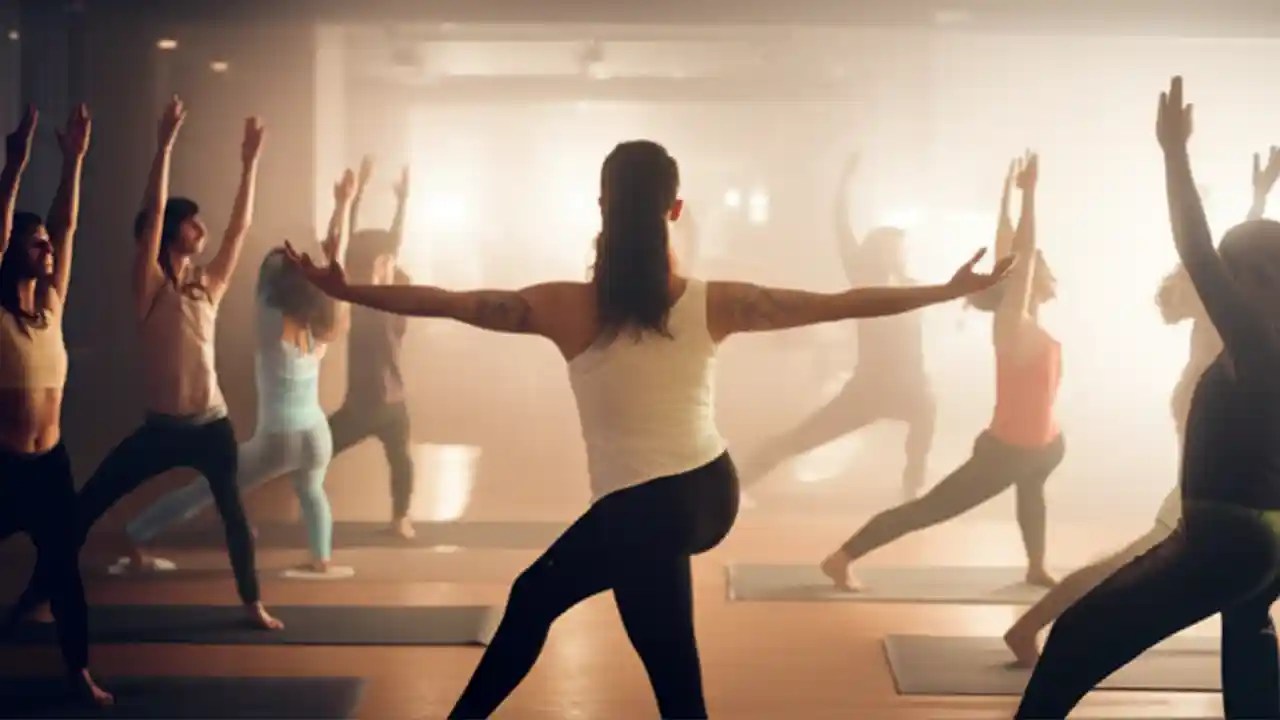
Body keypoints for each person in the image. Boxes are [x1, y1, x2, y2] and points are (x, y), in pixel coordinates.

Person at [286, 139, 1013, 719]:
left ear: (601, 205)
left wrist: (347, 288)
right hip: (705, 493)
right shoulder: (719, 301)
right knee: (628, 645)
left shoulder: (560, 305)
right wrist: (946, 289)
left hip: (648, 507)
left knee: (559, 613)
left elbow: (449, 302)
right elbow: (838, 303)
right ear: (676, 209)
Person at [1017, 77, 1280, 719]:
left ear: (1250, 280)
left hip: (1223, 538)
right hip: (1263, 536)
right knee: (1250, 658)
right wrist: (1259, 196)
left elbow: (1196, 249)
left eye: (1229, 272)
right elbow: (1227, 258)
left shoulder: (1258, 339)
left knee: (1077, 637)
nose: (1216, 281)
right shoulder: (1266, 334)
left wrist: (1173, 153)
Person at [12, 96, 282, 630]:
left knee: (234, 514)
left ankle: (251, 602)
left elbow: (238, 230)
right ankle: (37, 598)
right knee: (87, 506)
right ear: (167, 234)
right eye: (192, 223)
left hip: (211, 427)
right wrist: (164, 145)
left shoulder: (208, 284)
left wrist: (250, 164)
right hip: (160, 430)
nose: (201, 229)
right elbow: (154, 214)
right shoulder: (150, 285)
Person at [819, 152, 1062, 591]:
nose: (1046, 270)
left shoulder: (1029, 320)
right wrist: (1029, 197)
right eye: (1039, 268)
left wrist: (1008, 195)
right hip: (1007, 450)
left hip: (1041, 445)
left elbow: (1012, 254)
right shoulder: (1013, 325)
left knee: (1033, 495)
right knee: (931, 508)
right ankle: (843, 556)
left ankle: (1036, 565)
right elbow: (1020, 257)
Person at [119, 169, 358, 578]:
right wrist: (344, 206)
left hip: (279, 438)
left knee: (206, 489)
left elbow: (260, 261)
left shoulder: (269, 319)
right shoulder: (325, 321)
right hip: (317, 432)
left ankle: (137, 535)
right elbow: (335, 265)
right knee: (310, 491)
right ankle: (322, 558)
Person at [738, 154, 936, 502]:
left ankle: (912, 484)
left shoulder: (912, 285)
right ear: (878, 253)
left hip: (910, 389)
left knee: (928, 410)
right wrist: (844, 182)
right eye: (893, 248)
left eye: (901, 249)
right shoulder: (865, 281)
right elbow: (842, 230)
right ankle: (736, 483)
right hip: (868, 390)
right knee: (800, 439)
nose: (900, 254)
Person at [0, 106, 110, 705]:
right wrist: (14, 166)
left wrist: (74, 161)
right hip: (4, 466)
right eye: (32, 240)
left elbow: (67, 227)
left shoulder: (52, 307)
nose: (46, 246)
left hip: (50, 465)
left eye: (45, 241)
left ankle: (78, 671)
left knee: (66, 573)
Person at [326, 157, 417, 539]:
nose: (390, 262)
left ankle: (401, 519)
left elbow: (392, 246)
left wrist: (402, 204)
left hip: (392, 403)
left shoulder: (396, 297)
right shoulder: (360, 300)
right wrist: (355, 198)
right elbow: (349, 251)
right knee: (312, 453)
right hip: (364, 405)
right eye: (382, 260)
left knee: (401, 461)